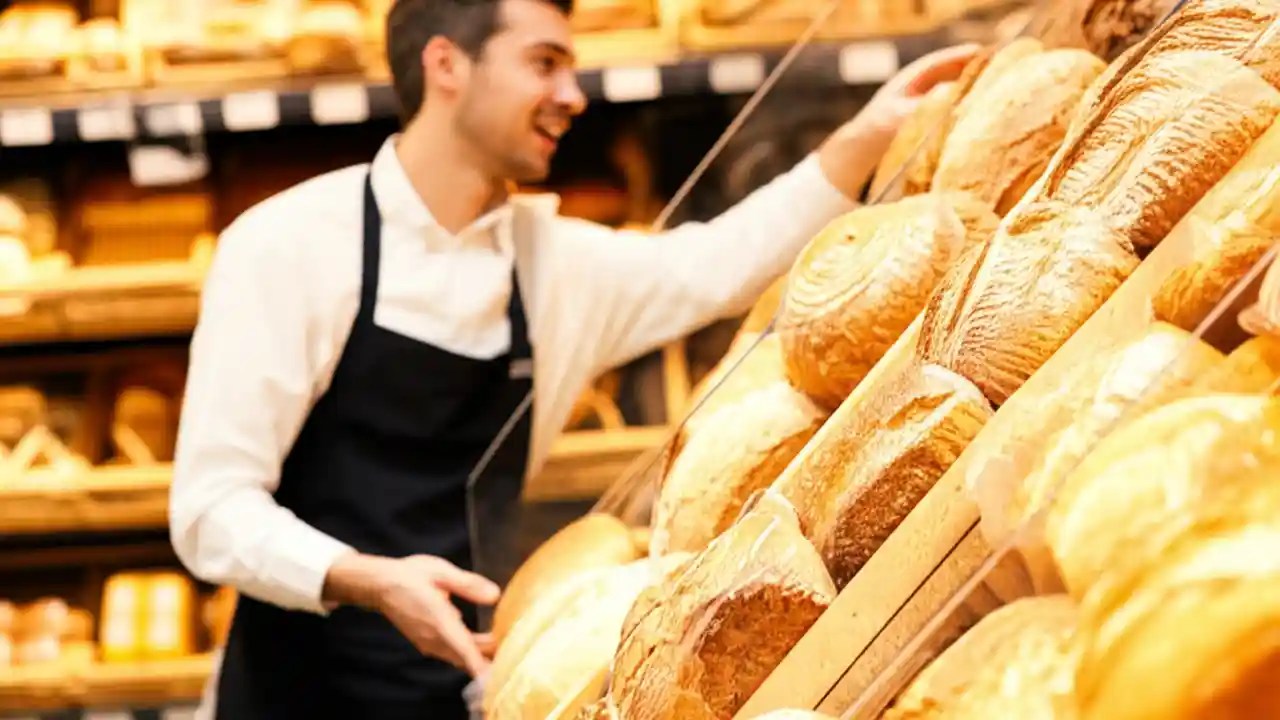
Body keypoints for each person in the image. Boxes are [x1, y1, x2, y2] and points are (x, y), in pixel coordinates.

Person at [166, 0, 977, 715]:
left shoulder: (548, 265)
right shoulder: (287, 246)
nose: (572, 96)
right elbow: (209, 511)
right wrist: (368, 578)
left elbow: (715, 267)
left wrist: (870, 133)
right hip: (287, 694)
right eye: (544, 63)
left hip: (462, 688)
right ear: (446, 64)